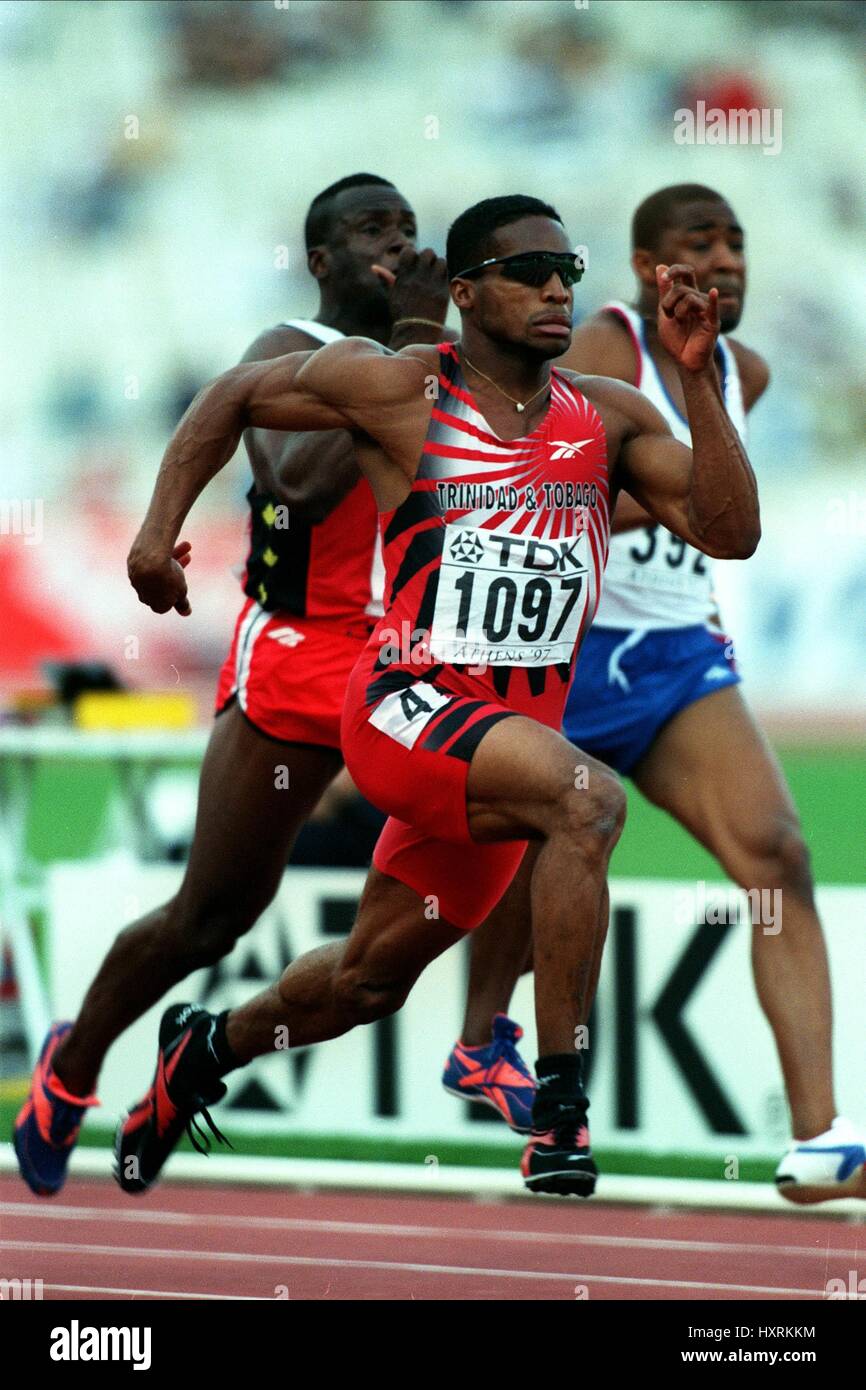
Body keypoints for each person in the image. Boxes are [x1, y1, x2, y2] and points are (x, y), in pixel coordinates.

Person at [112, 193, 759, 1198]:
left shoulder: (608, 415)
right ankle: (559, 1111)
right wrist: (156, 538)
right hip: (403, 706)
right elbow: (230, 397)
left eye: (567, 270)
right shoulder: (398, 389)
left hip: (505, 741)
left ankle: (200, 1054)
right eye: (528, 269)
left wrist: (695, 378)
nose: (556, 287)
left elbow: (727, 529)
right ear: (462, 292)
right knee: (587, 802)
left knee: (367, 978)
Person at [13, 172, 453, 1197]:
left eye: (405, 230)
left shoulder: (439, 358)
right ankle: (72, 1069)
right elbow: (296, 487)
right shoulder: (284, 347)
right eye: (368, 232)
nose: (393, 246)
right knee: (212, 917)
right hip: (300, 658)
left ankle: (203, 1058)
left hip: (414, 665)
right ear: (321, 260)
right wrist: (401, 364)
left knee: (463, 888)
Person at [448, 183, 866, 1206]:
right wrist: (677, 504)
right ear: (647, 268)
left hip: (677, 655)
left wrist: (701, 489)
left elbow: (716, 500)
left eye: (735, 241)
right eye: (697, 244)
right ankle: (480, 1040)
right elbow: (540, 478)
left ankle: (817, 1137)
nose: (722, 260)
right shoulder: (597, 344)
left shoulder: (743, 368)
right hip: (568, 644)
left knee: (774, 852)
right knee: (533, 850)